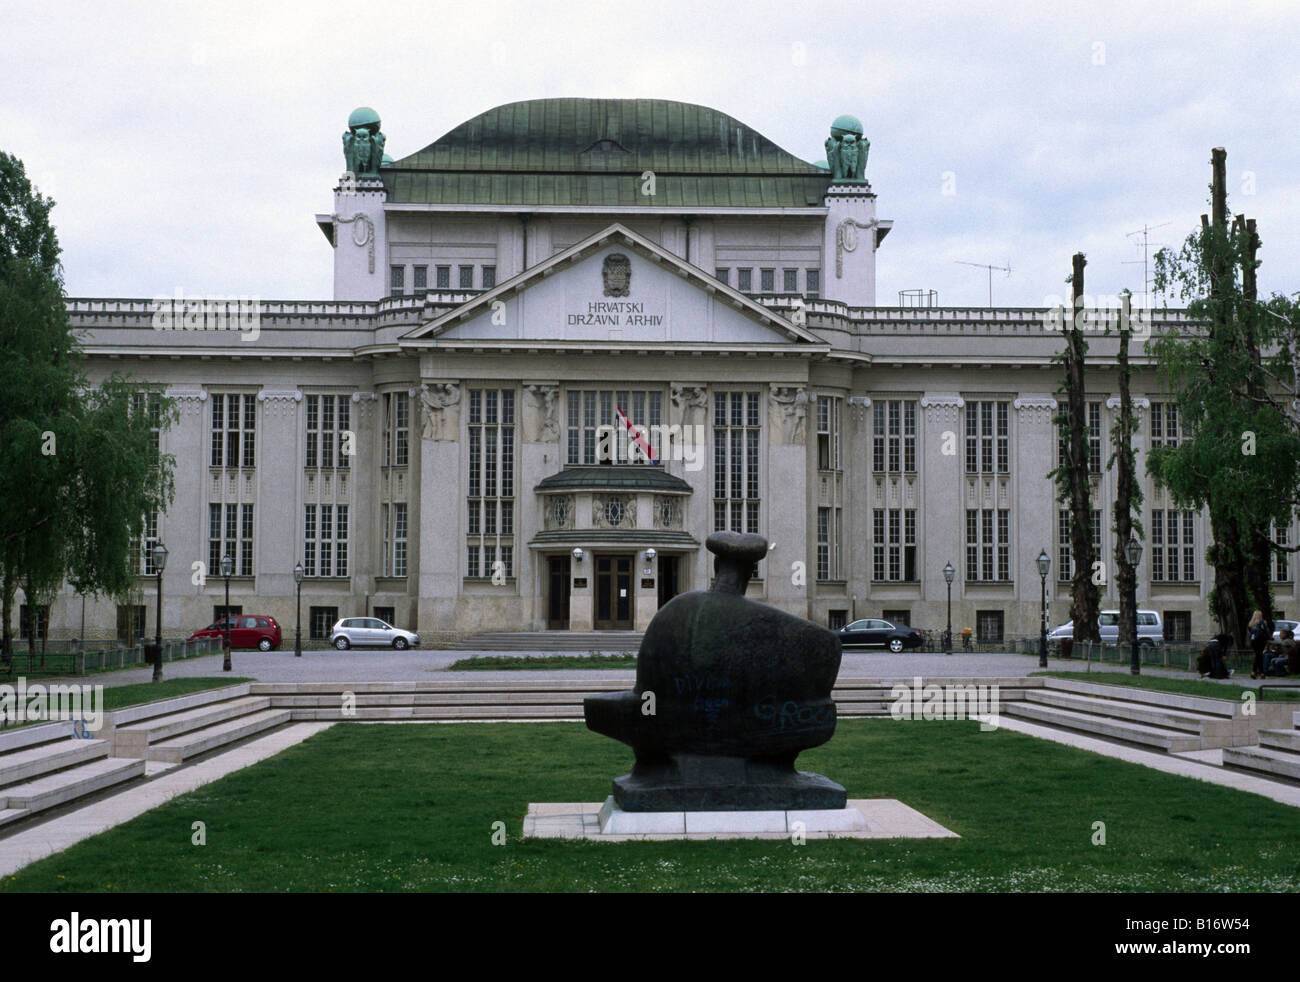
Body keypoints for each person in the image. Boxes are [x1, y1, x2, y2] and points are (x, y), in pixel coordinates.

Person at [1248, 610, 1270, 679]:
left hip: (1253, 641)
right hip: (1260, 641)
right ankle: (1259, 672)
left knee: (1258, 656)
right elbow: (1267, 632)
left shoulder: (1251, 624)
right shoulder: (1262, 623)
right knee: (1259, 656)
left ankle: (1257, 672)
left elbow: (1250, 633)